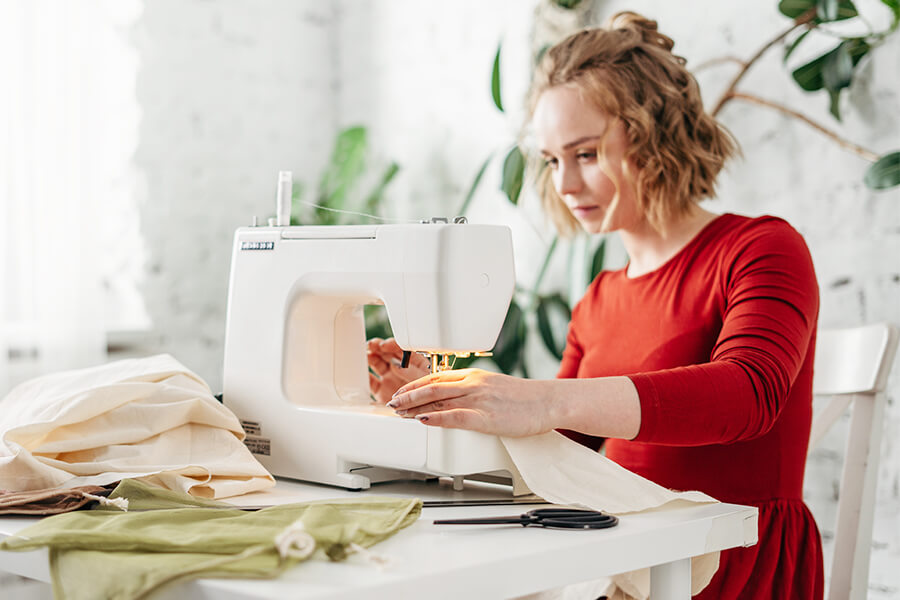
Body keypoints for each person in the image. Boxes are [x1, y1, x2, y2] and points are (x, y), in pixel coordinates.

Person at [367, 11, 823, 599]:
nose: (563, 185)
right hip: (630, 551)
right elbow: (564, 450)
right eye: (554, 160)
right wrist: (448, 403)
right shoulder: (599, 299)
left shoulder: (760, 248)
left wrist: (542, 398)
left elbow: (749, 393)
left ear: (657, 136)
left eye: (585, 154)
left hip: (728, 559)